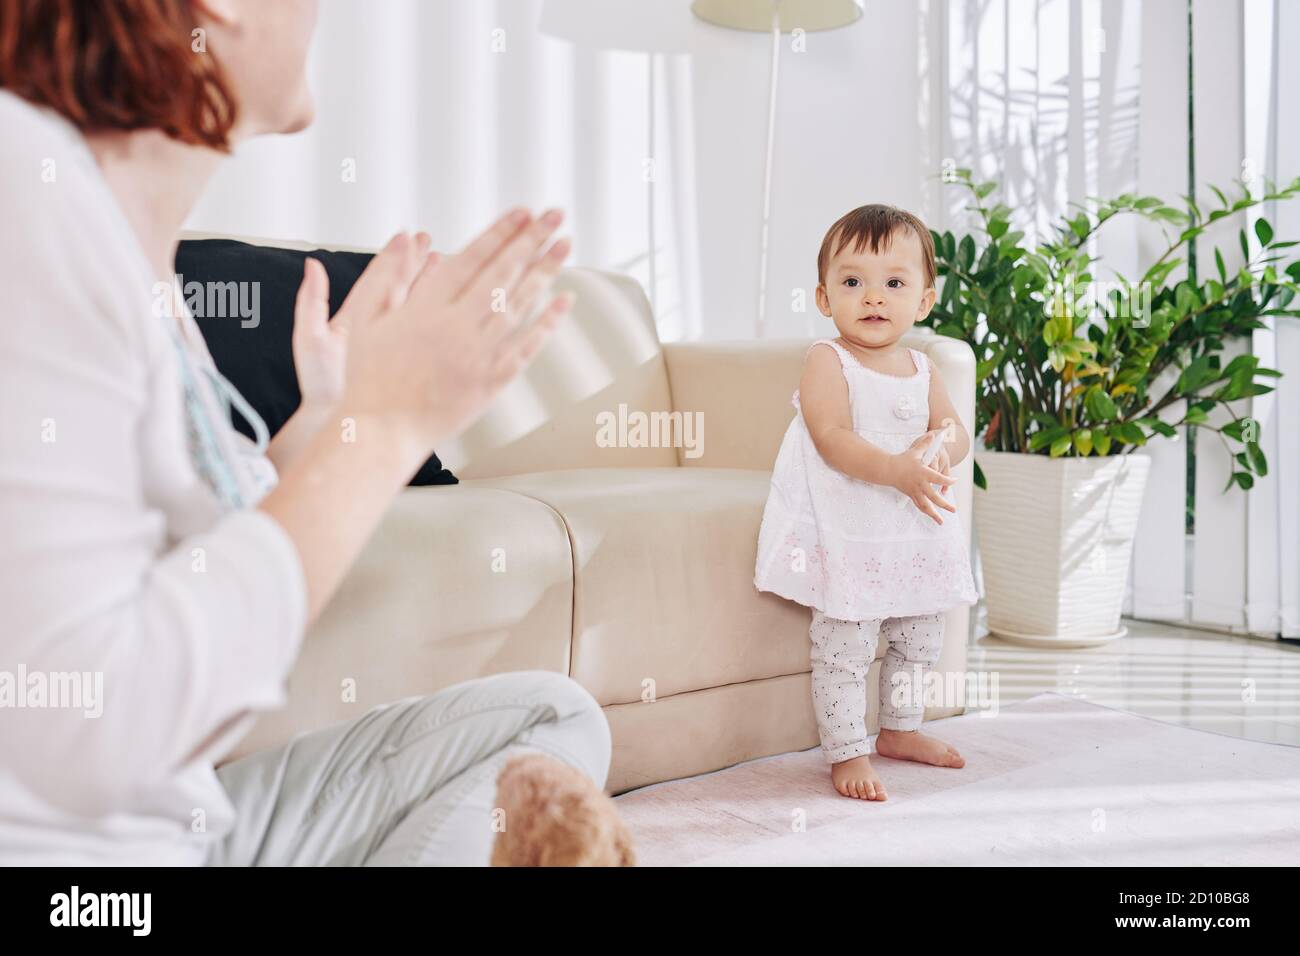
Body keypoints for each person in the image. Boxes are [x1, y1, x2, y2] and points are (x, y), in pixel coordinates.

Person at [0, 0, 630, 865]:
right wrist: (383, 426)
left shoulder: (128, 247)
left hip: (186, 822)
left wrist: (316, 433)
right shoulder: (27, 191)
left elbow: (175, 570)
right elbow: (87, 729)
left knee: (550, 718)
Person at [753, 204, 979, 801]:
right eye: (853, 283)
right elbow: (832, 439)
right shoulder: (828, 360)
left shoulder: (922, 367)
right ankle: (847, 749)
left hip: (914, 532)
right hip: (853, 532)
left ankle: (901, 730)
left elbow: (957, 432)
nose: (873, 298)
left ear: (925, 301)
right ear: (825, 298)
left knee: (919, 639)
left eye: (894, 284)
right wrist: (896, 469)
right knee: (846, 646)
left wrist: (938, 443)